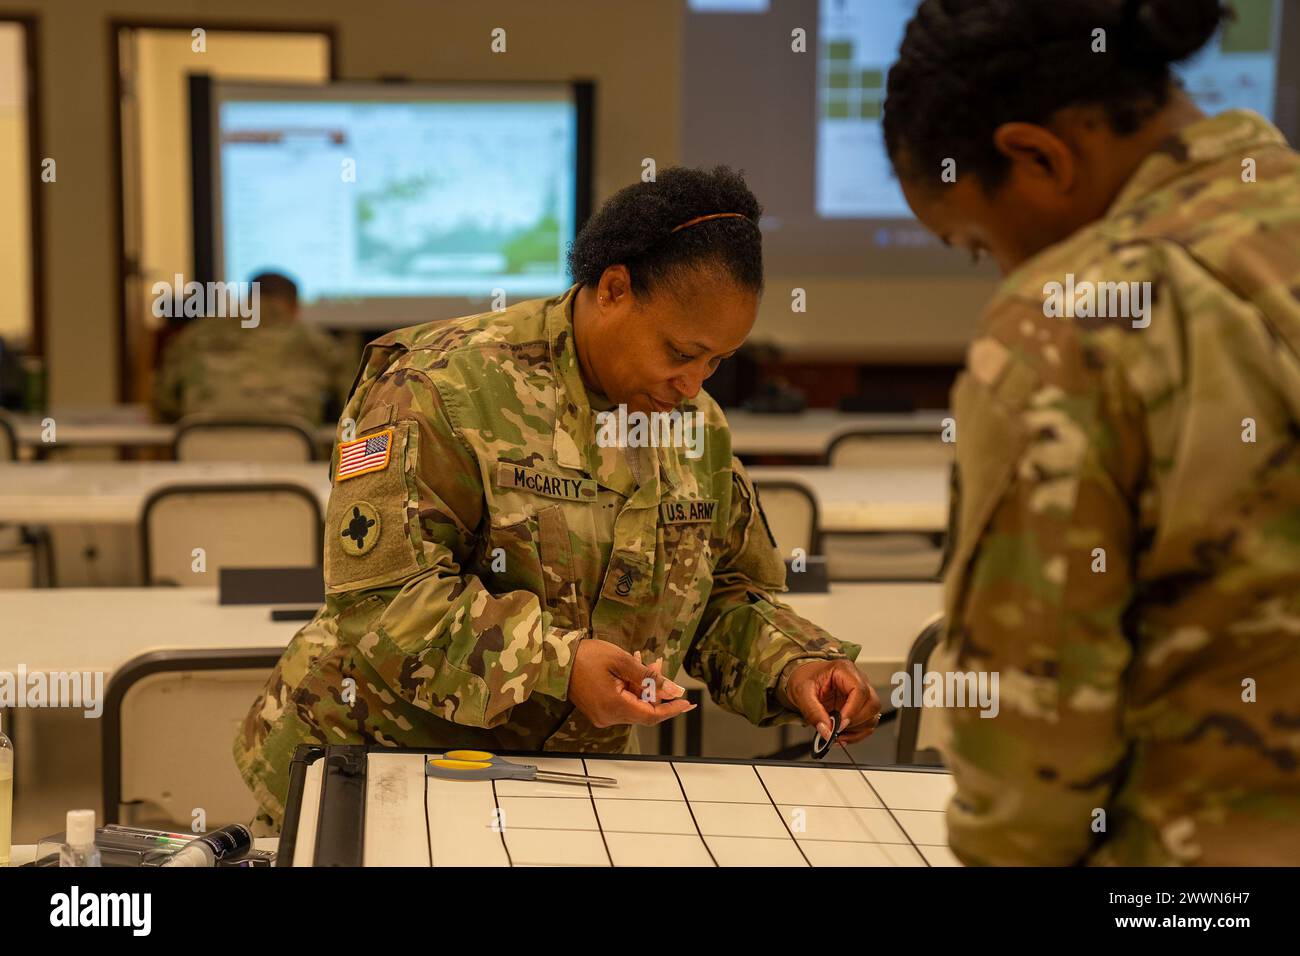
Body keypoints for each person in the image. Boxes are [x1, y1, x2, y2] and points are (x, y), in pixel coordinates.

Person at [234, 166, 883, 831]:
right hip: (382, 771)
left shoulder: (694, 425)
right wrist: (559, 665)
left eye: (717, 361)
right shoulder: (443, 382)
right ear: (614, 289)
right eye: (681, 352)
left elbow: (720, 597)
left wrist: (798, 665)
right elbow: (382, 602)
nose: (693, 384)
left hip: (557, 792)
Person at [883, 0, 1300, 865]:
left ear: (1036, 157)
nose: (995, 270)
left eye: (973, 242)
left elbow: (1034, 751)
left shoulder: (1072, 319)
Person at [153, 271, 347, 425]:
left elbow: (164, 402)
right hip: (292, 462)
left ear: (248, 297)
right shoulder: (318, 342)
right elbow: (352, 405)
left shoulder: (195, 335)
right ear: (294, 306)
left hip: (202, 459)